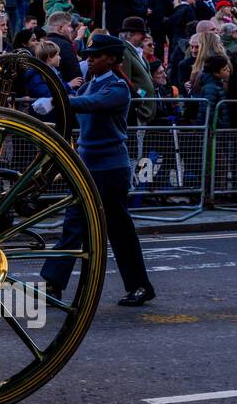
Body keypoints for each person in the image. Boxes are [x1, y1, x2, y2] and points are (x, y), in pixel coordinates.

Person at [33, 34, 156, 306]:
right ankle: (53, 285)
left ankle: (140, 285)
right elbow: (76, 100)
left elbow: (91, 104)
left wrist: (56, 101)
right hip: (87, 164)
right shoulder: (90, 85)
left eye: (96, 55)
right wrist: (51, 99)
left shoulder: (118, 88)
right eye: (88, 54)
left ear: (111, 59)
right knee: (73, 225)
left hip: (110, 168)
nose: (89, 59)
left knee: (119, 229)